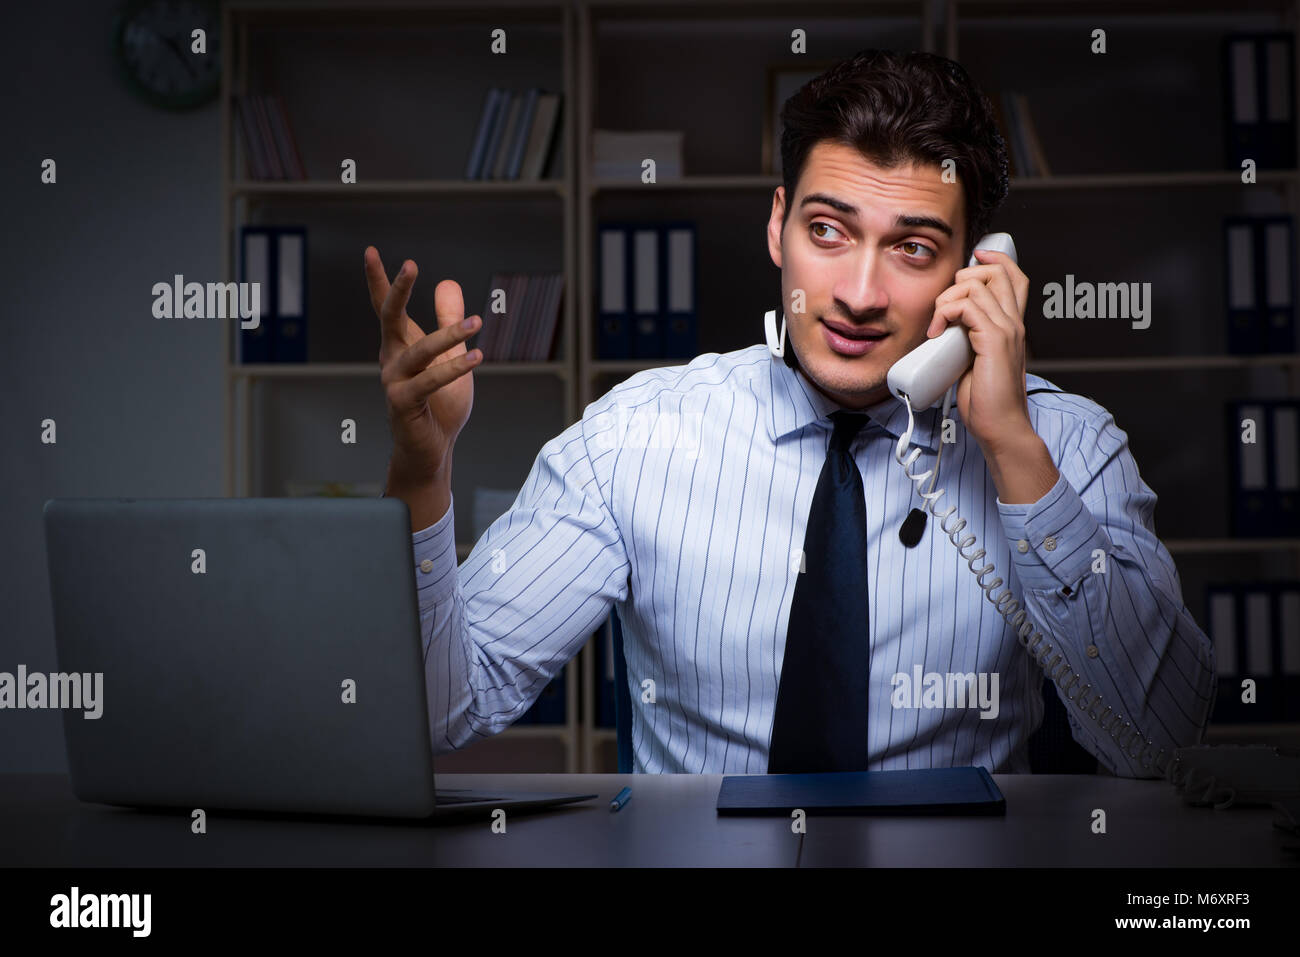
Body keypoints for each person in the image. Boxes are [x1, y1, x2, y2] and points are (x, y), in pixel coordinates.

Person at [364, 49, 1214, 776]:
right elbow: (444, 711)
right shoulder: (634, 438)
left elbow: (1166, 744)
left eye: (913, 248)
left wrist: (1012, 449)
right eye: (829, 231)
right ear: (778, 228)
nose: (857, 293)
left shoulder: (1063, 442)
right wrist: (423, 471)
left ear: (977, 270)